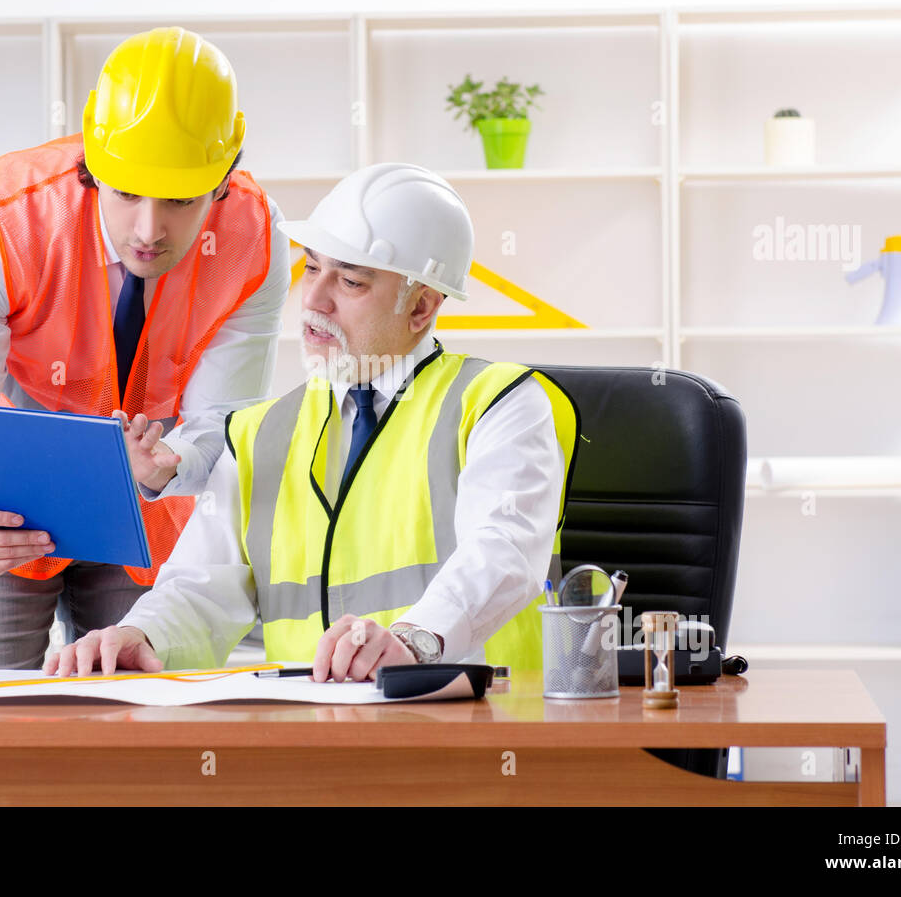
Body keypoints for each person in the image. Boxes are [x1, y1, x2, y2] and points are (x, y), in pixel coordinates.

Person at [45, 163, 578, 682]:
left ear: (421, 306)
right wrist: (143, 634)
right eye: (312, 267)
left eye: (350, 282)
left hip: (476, 721)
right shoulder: (261, 432)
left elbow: (504, 552)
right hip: (311, 729)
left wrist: (414, 641)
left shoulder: (498, 404)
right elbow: (201, 586)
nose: (314, 300)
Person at [0, 27, 290, 668]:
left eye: (179, 201)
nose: (149, 229)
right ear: (92, 164)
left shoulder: (254, 234)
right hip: (1, 498)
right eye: (126, 192)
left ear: (223, 179)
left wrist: (170, 465)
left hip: (149, 502)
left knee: (141, 727)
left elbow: (221, 424)